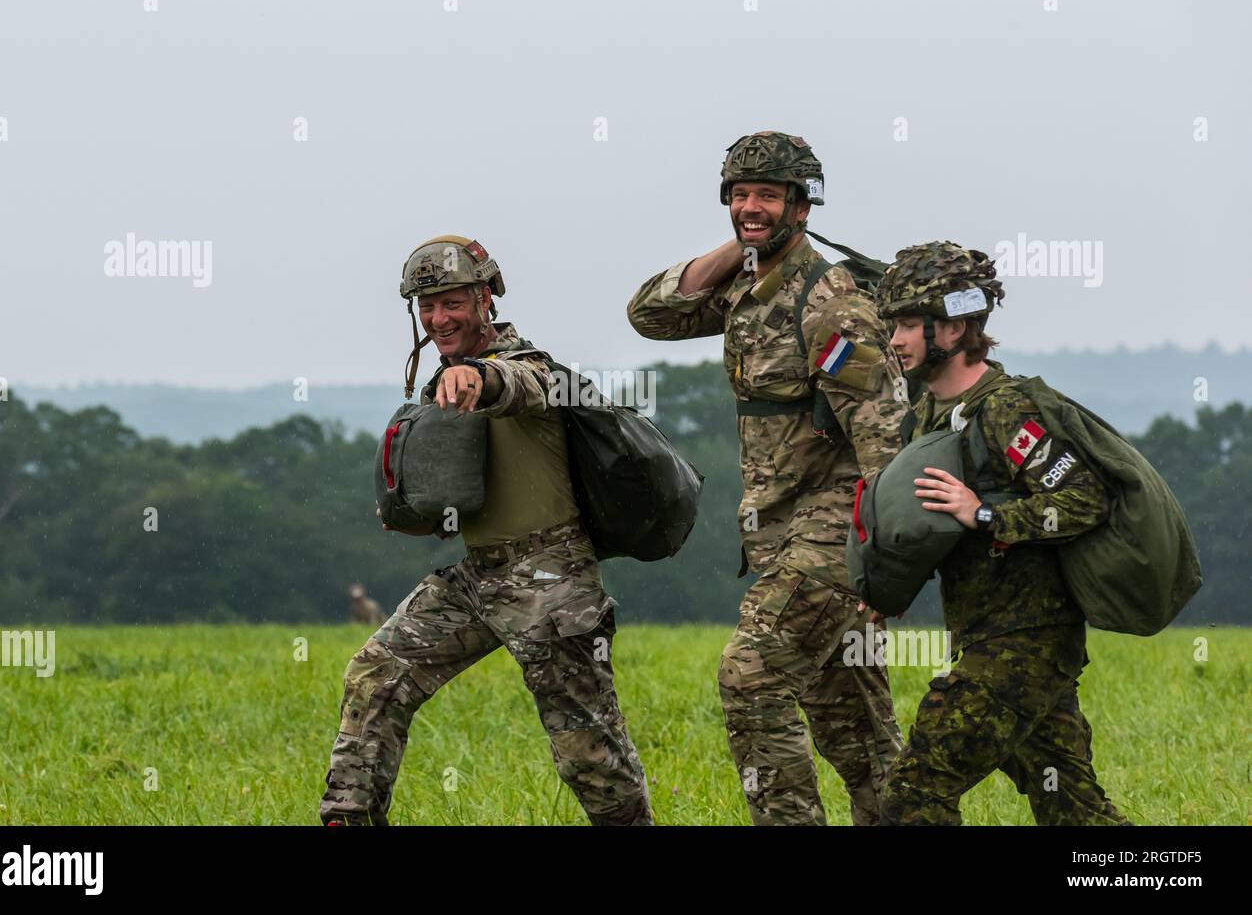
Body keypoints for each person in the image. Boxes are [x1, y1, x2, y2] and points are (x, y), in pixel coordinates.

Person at [320, 235, 652, 826]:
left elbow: (513, 385)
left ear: (484, 298)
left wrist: (479, 378)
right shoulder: (438, 382)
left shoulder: (529, 365)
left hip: (552, 581)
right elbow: (459, 501)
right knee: (377, 675)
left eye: (451, 303)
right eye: (427, 305)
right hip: (479, 577)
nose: (438, 318)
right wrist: (418, 514)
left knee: (589, 754)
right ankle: (349, 815)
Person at [627, 132, 905, 825]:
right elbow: (650, 313)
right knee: (854, 726)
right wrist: (744, 244)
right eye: (739, 195)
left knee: (749, 673)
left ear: (803, 206)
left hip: (838, 528)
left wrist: (887, 562)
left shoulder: (829, 300)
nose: (750, 206)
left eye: (768, 196)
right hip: (779, 532)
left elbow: (884, 438)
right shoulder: (748, 286)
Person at [872, 240, 1129, 825]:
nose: (896, 339)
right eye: (895, 324)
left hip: (1022, 645)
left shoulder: (1005, 410)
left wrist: (987, 514)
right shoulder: (929, 415)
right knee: (1076, 814)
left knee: (913, 796)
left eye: (911, 323)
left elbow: (1086, 500)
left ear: (958, 327)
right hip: (992, 635)